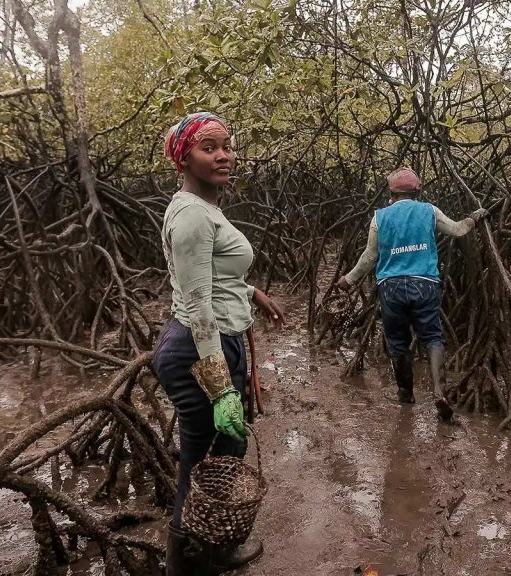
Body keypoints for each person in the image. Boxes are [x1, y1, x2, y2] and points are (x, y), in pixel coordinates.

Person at [151, 112, 285, 575]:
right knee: (203, 456)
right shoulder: (191, 215)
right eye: (210, 147)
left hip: (212, 342)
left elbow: (214, 276)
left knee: (225, 450)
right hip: (197, 346)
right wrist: (221, 384)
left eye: (227, 145)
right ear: (184, 157)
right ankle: (188, 562)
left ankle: (204, 552)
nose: (224, 155)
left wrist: (252, 293)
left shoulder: (205, 206)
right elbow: (198, 303)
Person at [337, 167, 487, 421]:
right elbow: (459, 230)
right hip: (424, 283)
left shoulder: (379, 217)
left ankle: (406, 394)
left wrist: (348, 279)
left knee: (397, 342)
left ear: (391, 193)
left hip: (391, 287)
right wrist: (474, 217)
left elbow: (370, 256)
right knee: (432, 337)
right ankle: (439, 391)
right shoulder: (429, 211)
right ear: (418, 191)